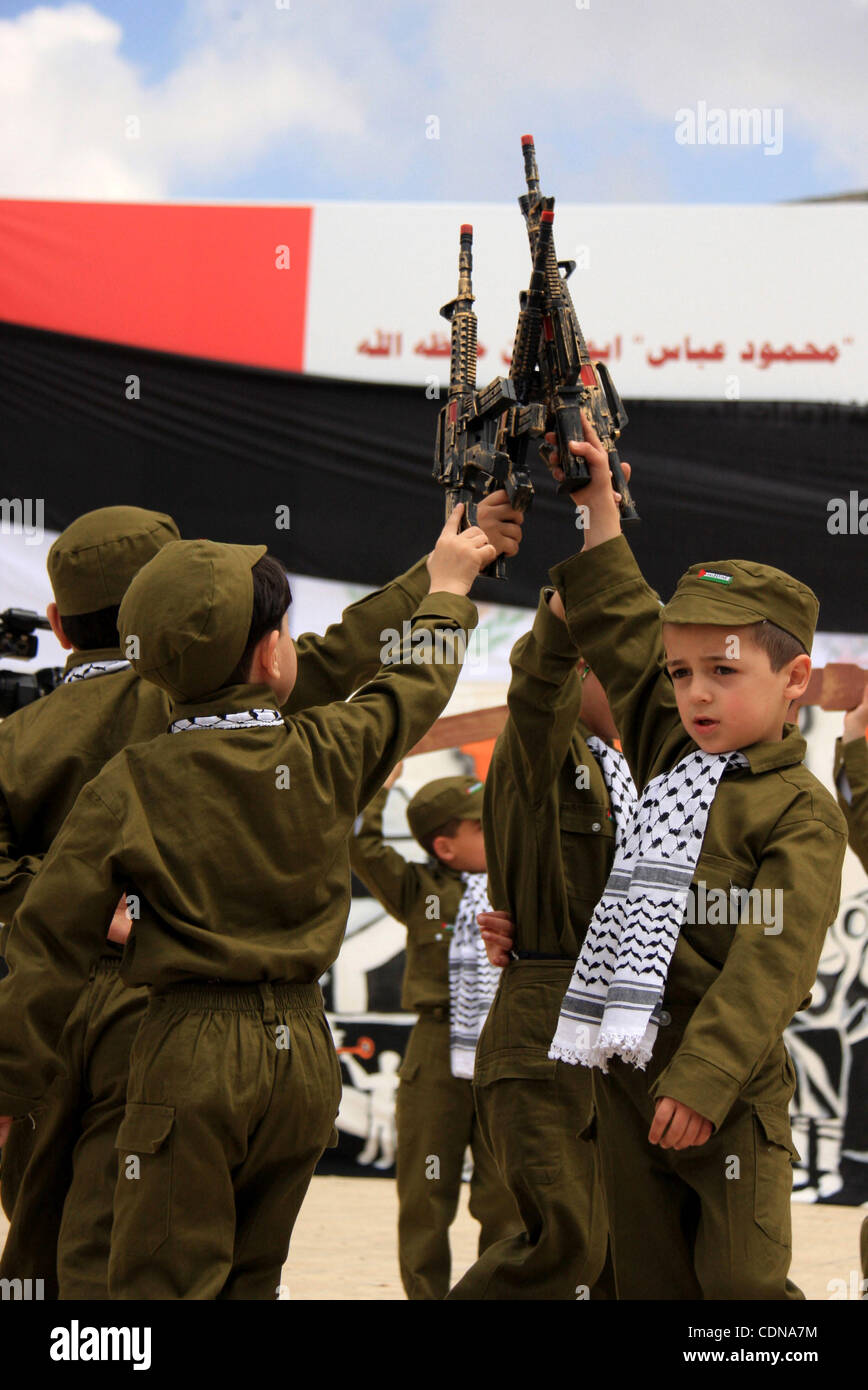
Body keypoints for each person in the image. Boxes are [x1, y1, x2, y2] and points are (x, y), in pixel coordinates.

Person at [0, 493, 518, 1300]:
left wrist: (6, 1084)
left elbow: (43, 944)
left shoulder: (120, 778)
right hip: (302, 1051)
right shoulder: (325, 747)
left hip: (181, 1042)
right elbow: (398, 679)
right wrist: (445, 586)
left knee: (137, 1268)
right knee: (253, 1273)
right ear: (273, 657)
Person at [544, 413, 848, 1300]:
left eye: (721, 671)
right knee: (644, 1284)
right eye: (681, 675)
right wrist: (599, 503)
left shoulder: (801, 810)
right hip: (627, 1067)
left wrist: (709, 1078)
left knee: (744, 1293)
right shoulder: (673, 752)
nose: (694, 692)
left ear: (793, 681)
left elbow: (772, 963)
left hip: (728, 1088)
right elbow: (627, 622)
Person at [0, 506, 181, 1299]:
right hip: (185, 1009)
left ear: (57, 624)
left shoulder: (19, 737)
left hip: (44, 1005)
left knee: (42, 1228)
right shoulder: (211, 711)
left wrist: (69, 899)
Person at [448, 569, 632, 1298]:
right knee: (564, 1244)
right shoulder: (547, 758)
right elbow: (534, 697)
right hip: (549, 1013)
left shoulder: (636, 772)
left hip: (622, 1024)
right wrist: (570, 599)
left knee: (617, 1249)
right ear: (581, 668)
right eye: (624, 668)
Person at [350, 769, 522, 1299]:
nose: (496, 831)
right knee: (426, 1190)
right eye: (480, 826)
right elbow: (361, 842)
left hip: (504, 1048)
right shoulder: (418, 889)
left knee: (506, 1193)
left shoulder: (519, 884)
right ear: (445, 846)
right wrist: (379, 784)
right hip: (436, 1046)